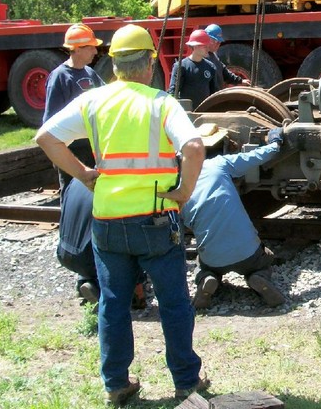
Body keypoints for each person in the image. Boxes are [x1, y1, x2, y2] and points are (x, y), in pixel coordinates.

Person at [36, 24, 207, 405]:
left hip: (108, 221)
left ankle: (116, 384)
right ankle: (186, 381)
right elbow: (194, 147)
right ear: (148, 63)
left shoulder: (93, 102)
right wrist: (182, 193)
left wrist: (82, 175)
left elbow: (45, 137)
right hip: (156, 219)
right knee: (174, 302)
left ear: (113, 65)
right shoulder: (162, 103)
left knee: (113, 303)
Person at [182, 124, 287, 310]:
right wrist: (275, 141)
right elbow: (257, 156)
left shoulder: (179, 188)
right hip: (248, 254)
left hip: (213, 259)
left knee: (202, 262)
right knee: (264, 260)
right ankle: (258, 277)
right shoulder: (218, 164)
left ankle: (207, 278)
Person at [56, 178, 147, 310]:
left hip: (64, 252)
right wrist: (139, 290)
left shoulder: (77, 179)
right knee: (133, 236)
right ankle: (108, 292)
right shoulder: (116, 188)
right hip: (90, 257)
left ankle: (87, 281)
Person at [43, 24, 105, 194]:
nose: (95, 51)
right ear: (77, 49)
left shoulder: (91, 74)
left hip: (92, 148)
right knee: (71, 194)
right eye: (91, 47)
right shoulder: (59, 77)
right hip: (72, 153)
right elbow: (50, 120)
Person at [168, 29, 218, 110]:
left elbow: (214, 93)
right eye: (204, 46)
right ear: (195, 46)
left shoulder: (211, 67)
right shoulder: (181, 66)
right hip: (186, 113)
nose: (207, 49)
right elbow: (173, 92)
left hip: (205, 112)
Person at [204, 23, 251, 90]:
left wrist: (240, 81)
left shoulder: (214, 57)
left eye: (219, 42)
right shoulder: (200, 59)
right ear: (207, 39)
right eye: (215, 41)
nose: (218, 44)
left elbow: (224, 72)